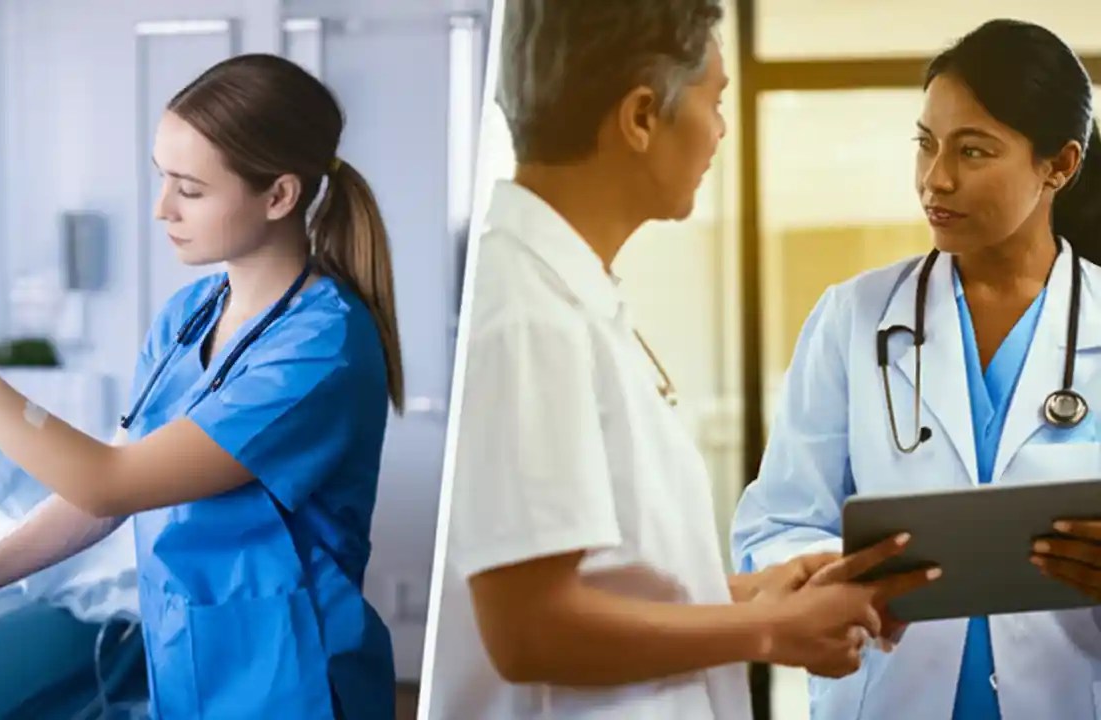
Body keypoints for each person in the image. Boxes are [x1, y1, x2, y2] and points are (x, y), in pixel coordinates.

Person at [0, 53, 403, 720]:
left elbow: (107, 480)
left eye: (190, 190)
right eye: (161, 178)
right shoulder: (189, 315)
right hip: (192, 673)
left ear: (279, 196)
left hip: (293, 687)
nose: (162, 208)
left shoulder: (320, 352)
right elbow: (97, 500)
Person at [425, 2, 938, 718]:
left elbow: (607, 583)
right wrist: (769, 630)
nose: (720, 132)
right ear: (641, 117)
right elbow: (528, 630)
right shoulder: (525, 315)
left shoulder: (571, 294)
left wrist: (756, 592)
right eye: (715, 101)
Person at [731, 19, 1101, 720]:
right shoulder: (853, 319)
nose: (937, 178)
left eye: (973, 150)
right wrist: (833, 576)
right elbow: (777, 522)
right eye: (925, 144)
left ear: (1059, 165)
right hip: (889, 696)